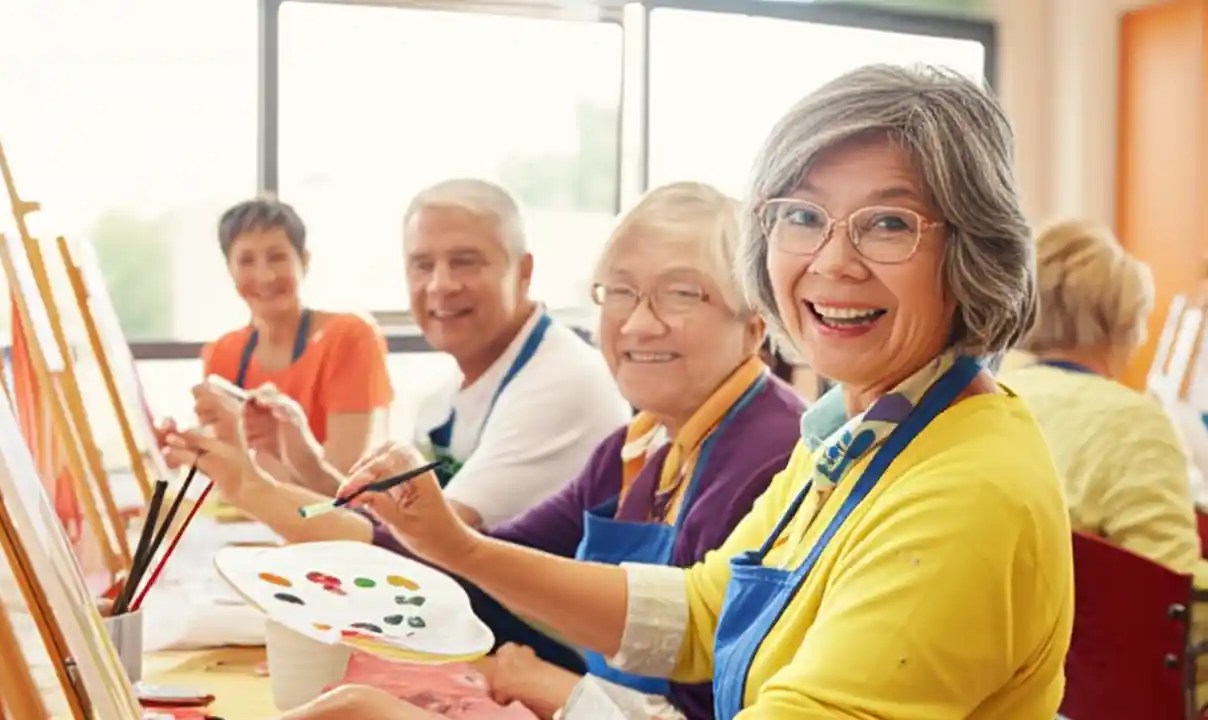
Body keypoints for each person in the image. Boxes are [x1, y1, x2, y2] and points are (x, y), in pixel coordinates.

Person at [289, 64, 1074, 719]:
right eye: (802, 215)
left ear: (975, 250)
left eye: (889, 224)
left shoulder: (966, 492)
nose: (833, 262)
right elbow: (702, 609)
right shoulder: (855, 429)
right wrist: (457, 548)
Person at [175, 181, 807, 719]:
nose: (639, 324)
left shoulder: (770, 454)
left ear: (757, 321)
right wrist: (252, 482)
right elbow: (443, 549)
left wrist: (558, 687)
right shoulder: (638, 444)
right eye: (620, 293)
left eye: (681, 293)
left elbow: (707, 697)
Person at [171, 179, 629, 536]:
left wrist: (249, 486)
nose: (441, 286)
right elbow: (393, 526)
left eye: (465, 261)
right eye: (423, 265)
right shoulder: (446, 396)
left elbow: (421, 550)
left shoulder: (557, 385)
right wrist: (307, 461)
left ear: (523, 272)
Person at [1001, 219, 1203, 578]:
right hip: (1100, 630)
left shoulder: (985, 395)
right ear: (1125, 327)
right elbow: (1173, 589)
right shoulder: (1132, 422)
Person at [161, 197, 395, 485]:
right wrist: (184, 447)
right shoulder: (222, 352)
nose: (265, 275)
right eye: (246, 261)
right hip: (257, 520)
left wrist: (258, 463)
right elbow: (229, 472)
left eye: (277, 257)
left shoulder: (349, 337)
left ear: (304, 261)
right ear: (229, 270)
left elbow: (341, 482)